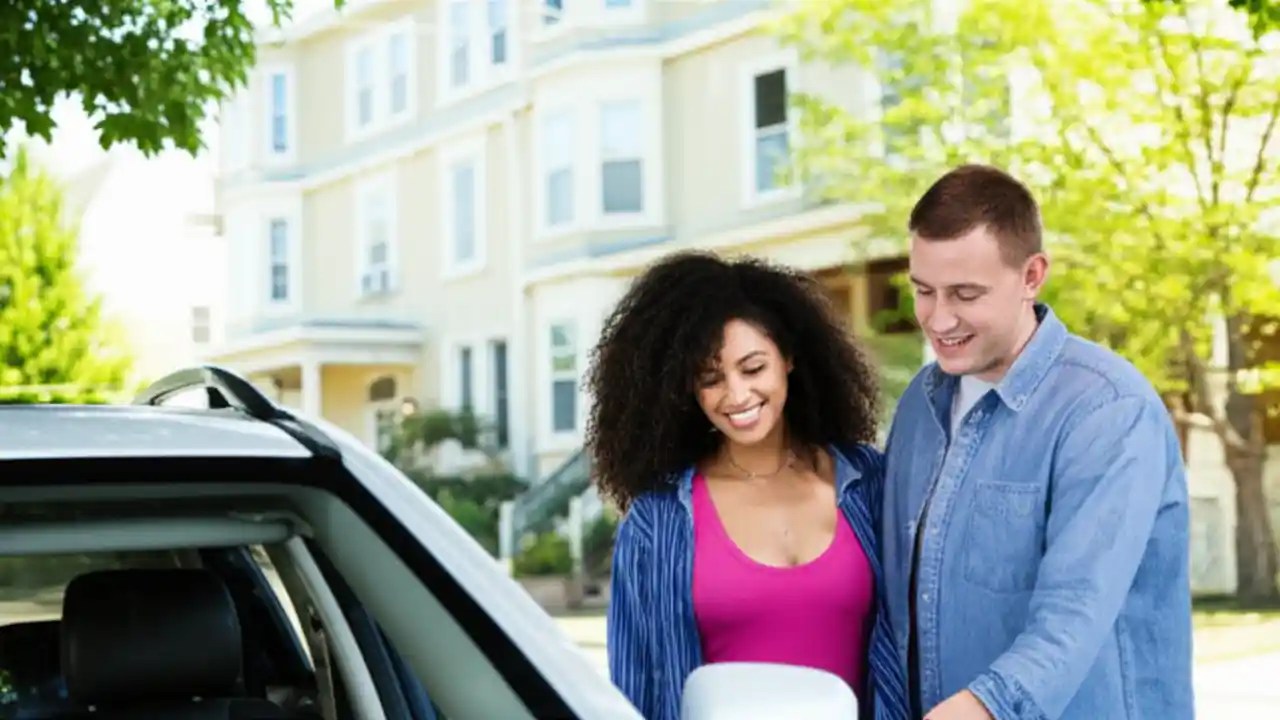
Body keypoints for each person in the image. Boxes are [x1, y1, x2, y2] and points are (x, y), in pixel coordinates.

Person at [882, 164, 1193, 719]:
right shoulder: (917, 408)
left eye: (966, 294)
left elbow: (1075, 610)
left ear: (1032, 276)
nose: (938, 317)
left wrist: (984, 706)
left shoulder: (1107, 410)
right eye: (923, 291)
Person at [588, 251, 910, 720]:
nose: (737, 395)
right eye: (711, 379)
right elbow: (634, 695)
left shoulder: (871, 484)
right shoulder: (658, 522)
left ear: (790, 358)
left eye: (753, 367)